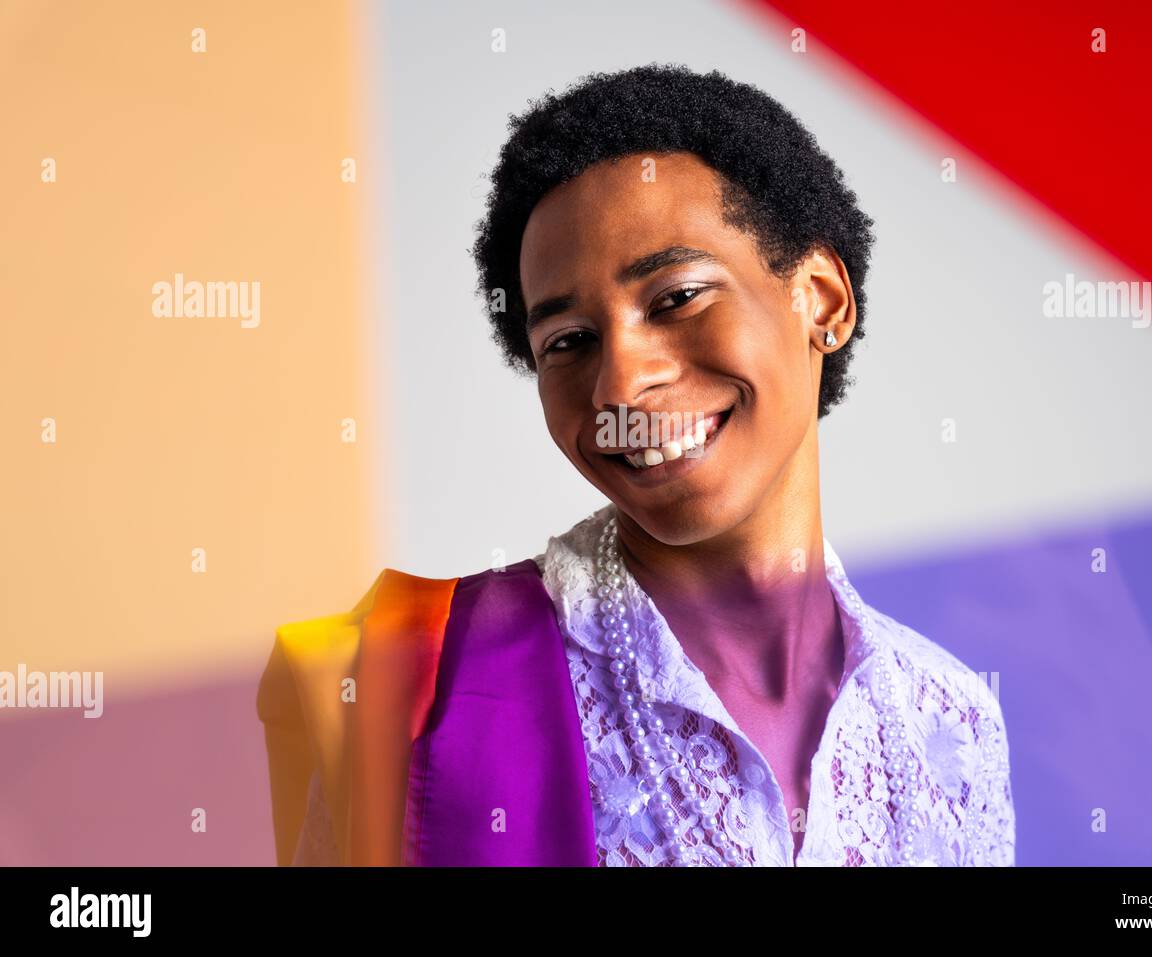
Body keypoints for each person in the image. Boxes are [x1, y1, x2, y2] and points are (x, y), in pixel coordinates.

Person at [256, 63, 1015, 867]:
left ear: (820, 300)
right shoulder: (416, 691)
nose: (621, 383)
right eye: (568, 342)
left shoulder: (954, 722)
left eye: (676, 297)